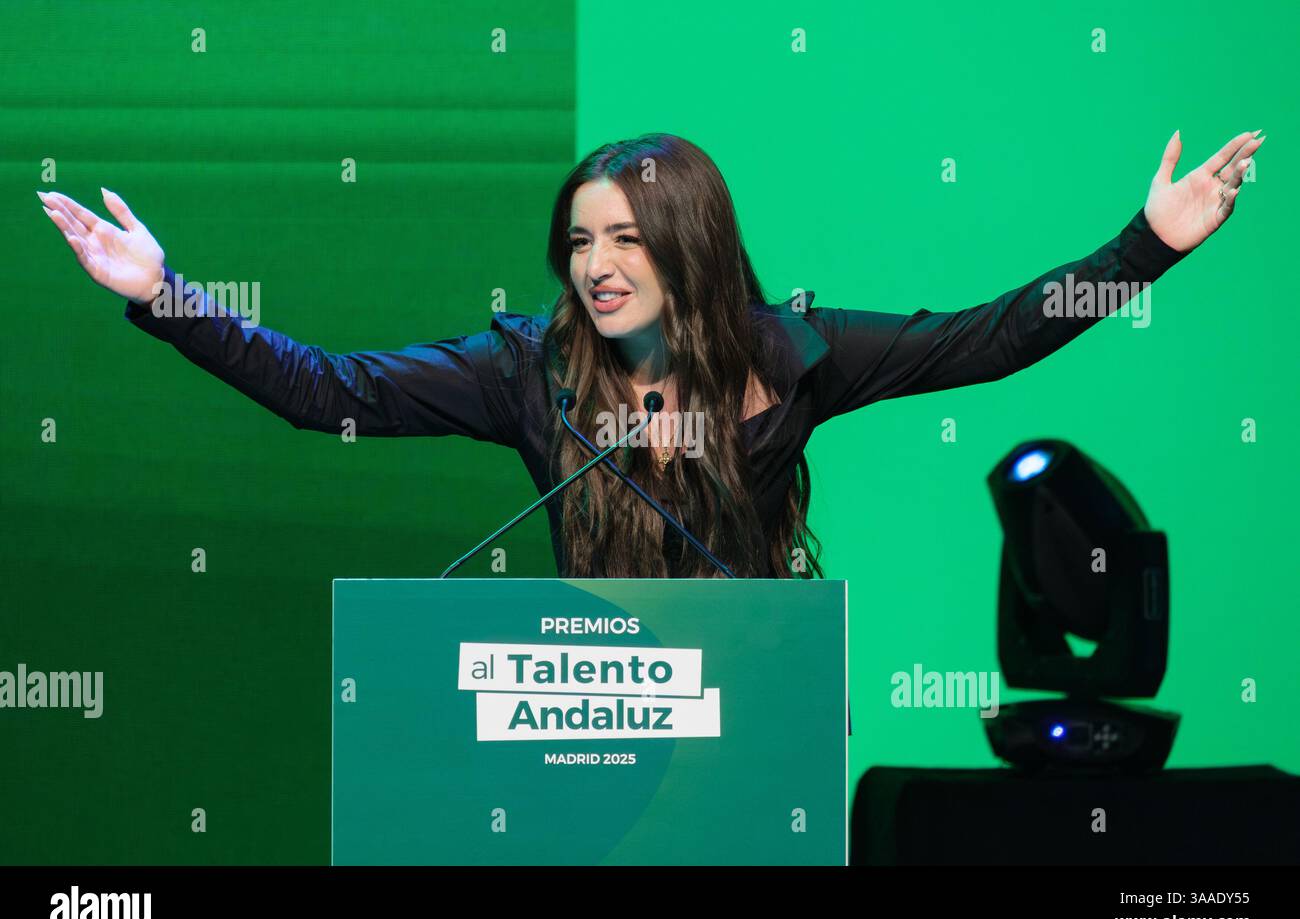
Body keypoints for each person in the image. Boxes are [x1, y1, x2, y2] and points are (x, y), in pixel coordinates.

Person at [38, 130, 1264, 579]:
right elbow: (328, 392)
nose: (596, 263)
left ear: (689, 243)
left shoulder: (799, 353)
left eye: (625, 237)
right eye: (580, 240)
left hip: (759, 701)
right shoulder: (526, 370)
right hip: (590, 719)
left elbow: (987, 340)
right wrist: (167, 296)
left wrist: (1146, 245)